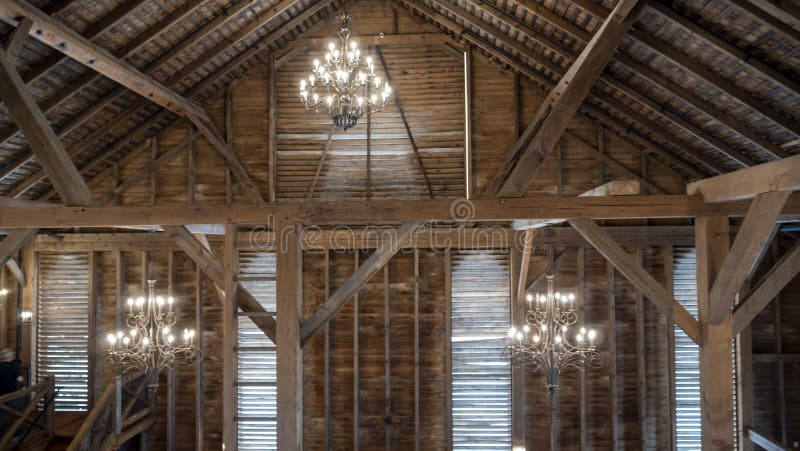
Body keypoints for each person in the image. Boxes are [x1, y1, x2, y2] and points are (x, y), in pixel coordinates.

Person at [0, 348, 24, 436]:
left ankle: (1, 436)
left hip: (0, 395)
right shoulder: (14, 366)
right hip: (12, 394)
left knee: (0, 418)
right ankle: (17, 434)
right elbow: (20, 379)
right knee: (17, 415)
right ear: (11, 357)